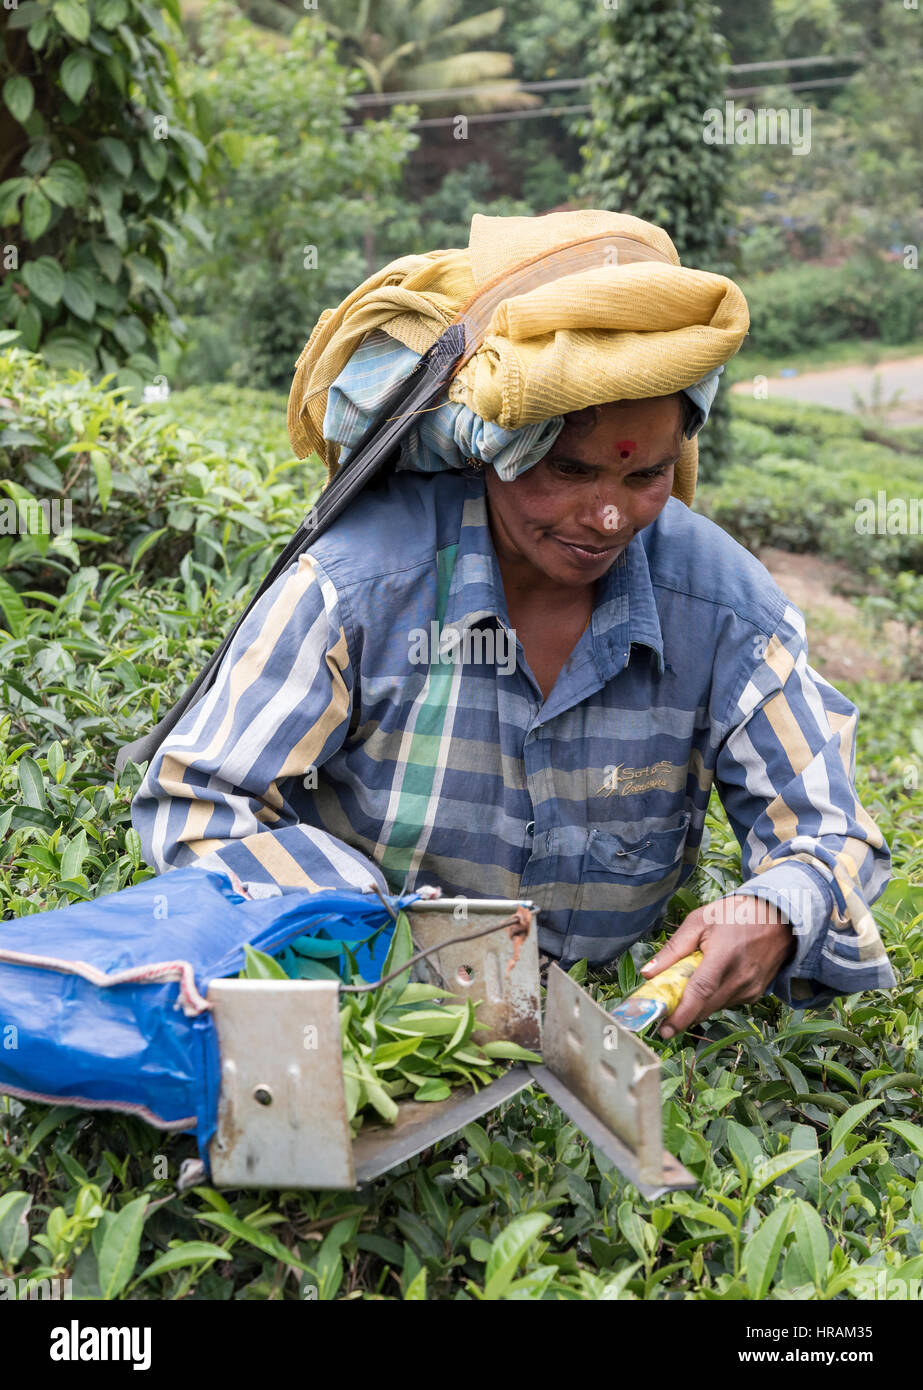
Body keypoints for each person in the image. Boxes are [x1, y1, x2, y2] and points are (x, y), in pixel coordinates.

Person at [131, 209, 895, 1037]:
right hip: (376, 1018)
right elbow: (199, 803)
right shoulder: (355, 589)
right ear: (491, 448)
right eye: (567, 467)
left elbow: (827, 830)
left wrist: (775, 910)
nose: (605, 514)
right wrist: (373, 930)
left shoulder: (724, 609)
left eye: (645, 475)